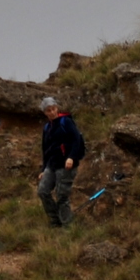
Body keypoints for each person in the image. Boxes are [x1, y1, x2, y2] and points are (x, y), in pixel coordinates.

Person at [37, 95, 86, 227]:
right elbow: (45, 150)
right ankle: (55, 220)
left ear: (57, 108)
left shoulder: (66, 121)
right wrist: (43, 169)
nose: (52, 112)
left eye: (53, 109)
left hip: (66, 164)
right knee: (42, 191)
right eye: (49, 110)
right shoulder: (47, 128)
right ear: (45, 113)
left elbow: (76, 140)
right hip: (52, 165)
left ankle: (67, 225)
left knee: (62, 195)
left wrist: (71, 157)